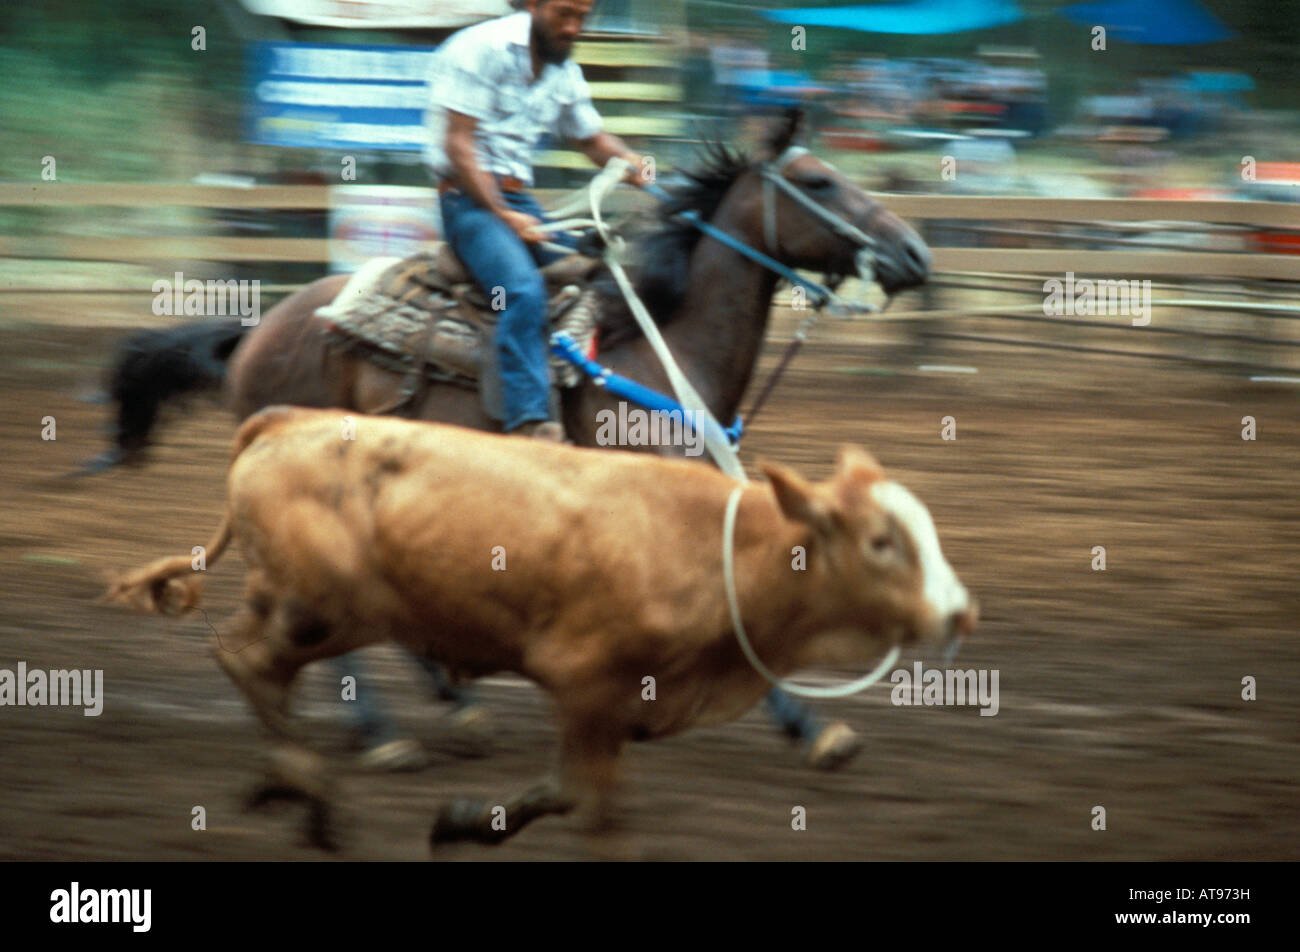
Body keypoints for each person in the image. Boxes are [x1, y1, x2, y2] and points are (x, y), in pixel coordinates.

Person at [424, 0, 646, 440]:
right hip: (469, 204)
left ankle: (592, 397)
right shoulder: (478, 48)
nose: (573, 27)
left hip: (519, 204)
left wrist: (640, 166)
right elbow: (459, 145)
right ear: (532, 4)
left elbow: (591, 138)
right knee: (521, 293)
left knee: (602, 272)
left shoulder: (562, 71)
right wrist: (503, 215)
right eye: (564, 13)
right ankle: (528, 424)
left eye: (582, 17)